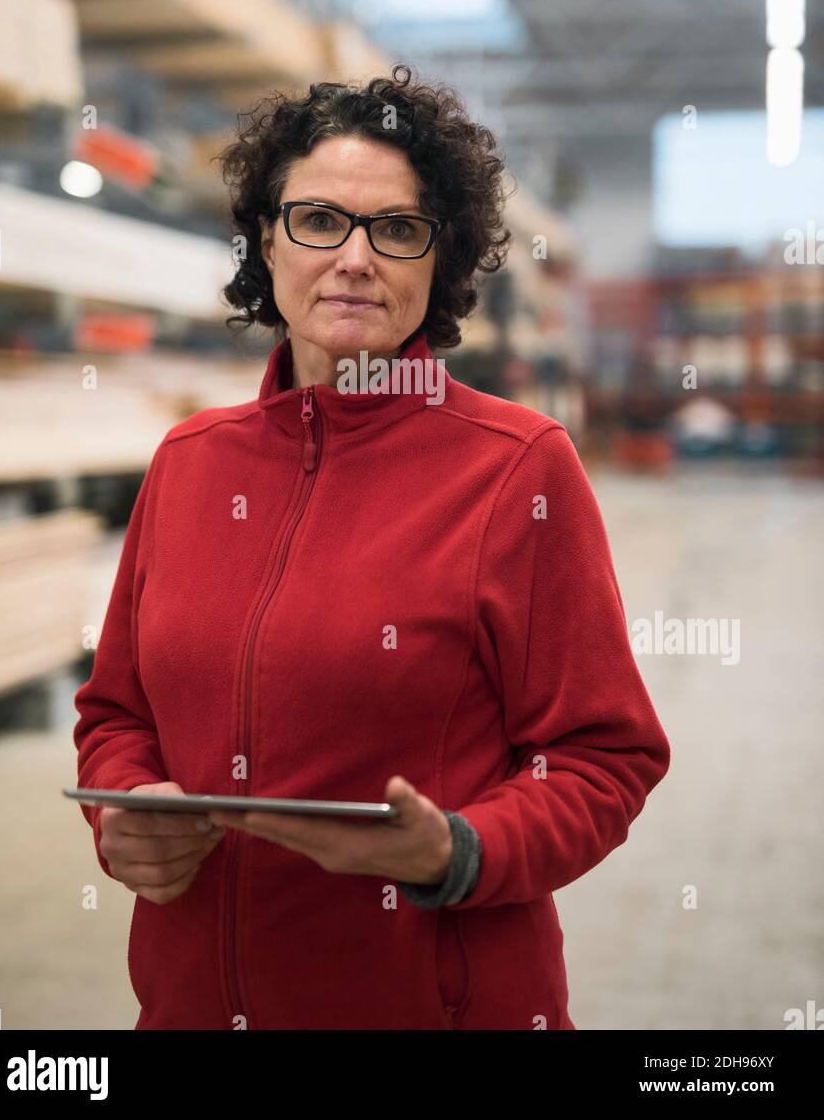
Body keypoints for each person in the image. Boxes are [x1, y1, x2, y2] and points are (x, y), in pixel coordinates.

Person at [73, 65, 670, 1030]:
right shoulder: (187, 462)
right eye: (317, 220)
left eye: (395, 230)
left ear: (441, 260)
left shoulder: (516, 467)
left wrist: (458, 852)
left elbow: (603, 756)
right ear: (266, 239)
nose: (354, 257)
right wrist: (124, 810)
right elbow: (114, 712)